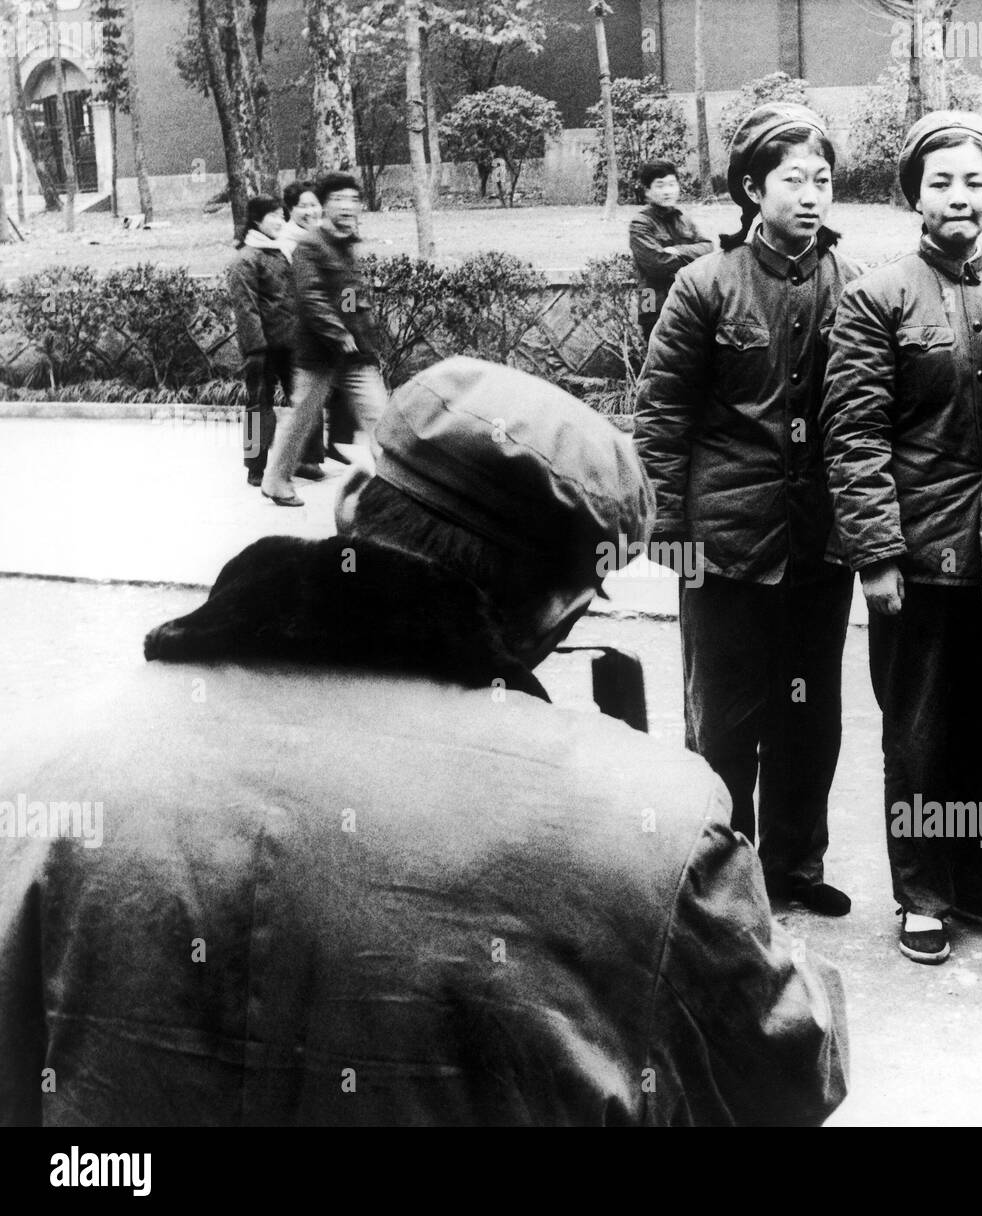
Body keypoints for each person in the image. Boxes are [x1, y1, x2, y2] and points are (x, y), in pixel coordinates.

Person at [0, 357, 850, 1127]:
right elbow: (785, 1082)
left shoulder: (49, 760)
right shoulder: (651, 821)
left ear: (349, 507)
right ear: (564, 610)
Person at [820, 112, 982, 966]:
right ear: (915, 193)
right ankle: (922, 893)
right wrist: (875, 555)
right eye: (941, 182)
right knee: (918, 734)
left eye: (974, 182)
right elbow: (855, 436)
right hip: (915, 561)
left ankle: (977, 886)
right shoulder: (877, 297)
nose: (960, 198)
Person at [635, 104, 859, 917]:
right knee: (724, 723)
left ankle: (797, 866)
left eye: (822, 180)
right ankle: (722, 880)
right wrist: (669, 533)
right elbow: (661, 417)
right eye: (792, 179)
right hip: (724, 542)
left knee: (810, 715)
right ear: (751, 189)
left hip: (816, 544)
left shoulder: (851, 285)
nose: (810, 194)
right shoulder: (704, 285)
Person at [260, 172, 388, 507]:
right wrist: (337, 331)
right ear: (325, 206)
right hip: (319, 352)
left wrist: (358, 325)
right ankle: (275, 479)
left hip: (353, 353)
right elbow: (311, 296)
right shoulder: (310, 246)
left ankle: (394, 484)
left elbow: (346, 294)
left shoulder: (347, 244)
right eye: (338, 200)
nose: (347, 207)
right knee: (302, 418)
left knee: (379, 416)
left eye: (353, 200)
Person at [279, 179, 352, 466]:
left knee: (337, 386)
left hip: (329, 321)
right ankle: (296, 461)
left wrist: (347, 316)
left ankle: (332, 445)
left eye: (314, 205)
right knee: (303, 398)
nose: (310, 211)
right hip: (298, 327)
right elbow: (305, 292)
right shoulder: (289, 242)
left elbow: (345, 282)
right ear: (290, 209)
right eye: (303, 206)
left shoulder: (327, 236)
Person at [226, 196, 296, 488]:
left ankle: (302, 460)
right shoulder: (245, 258)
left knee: (302, 404)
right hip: (263, 348)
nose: (280, 221)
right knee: (258, 408)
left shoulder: (280, 251)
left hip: (290, 343)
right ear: (257, 220)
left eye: (282, 216)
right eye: (274, 216)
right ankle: (255, 468)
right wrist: (256, 349)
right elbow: (246, 308)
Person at [628, 159, 713, 343]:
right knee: (656, 358)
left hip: (684, 299)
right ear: (647, 190)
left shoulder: (684, 219)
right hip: (651, 301)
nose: (667, 191)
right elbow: (656, 263)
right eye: (659, 185)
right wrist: (691, 258)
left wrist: (675, 250)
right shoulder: (640, 223)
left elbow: (708, 248)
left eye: (671, 184)